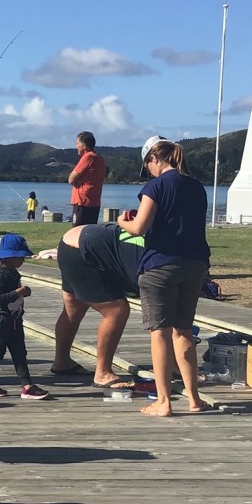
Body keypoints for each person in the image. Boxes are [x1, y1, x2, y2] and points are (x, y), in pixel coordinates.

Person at [118, 136, 211, 417]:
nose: (149, 171)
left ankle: (164, 401)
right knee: (184, 330)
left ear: (154, 159)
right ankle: (194, 399)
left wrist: (122, 221)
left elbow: (139, 228)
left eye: (148, 165)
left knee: (160, 332)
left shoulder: (155, 186)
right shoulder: (197, 186)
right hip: (195, 264)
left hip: (160, 265)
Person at [50, 223, 142, 390]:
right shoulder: (157, 260)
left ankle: (61, 361)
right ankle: (103, 373)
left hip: (70, 241)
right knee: (117, 309)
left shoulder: (150, 240)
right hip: (85, 249)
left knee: (73, 308)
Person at [0, 233, 51, 400]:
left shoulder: (14, 273)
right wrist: (18, 292)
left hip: (15, 319)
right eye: (20, 257)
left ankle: (27, 385)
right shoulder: (0, 275)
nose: (23, 260)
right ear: (9, 257)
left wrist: (23, 293)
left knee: (19, 352)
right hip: (2, 319)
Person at [67, 131, 106, 226]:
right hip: (94, 201)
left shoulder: (88, 157)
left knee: (77, 232)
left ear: (84, 146)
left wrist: (76, 182)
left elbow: (71, 179)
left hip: (82, 201)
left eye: (77, 143)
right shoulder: (99, 158)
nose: (76, 146)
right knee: (89, 232)